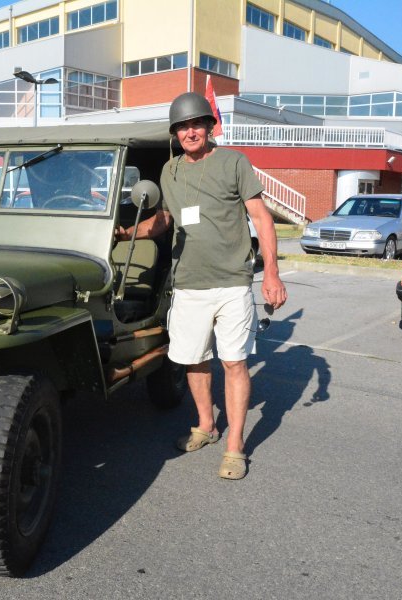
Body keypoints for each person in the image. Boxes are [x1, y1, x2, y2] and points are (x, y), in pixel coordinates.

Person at [116, 92, 287, 480]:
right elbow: (164, 221)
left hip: (231, 283)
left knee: (234, 362)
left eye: (196, 124)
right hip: (188, 284)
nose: (189, 132)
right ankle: (207, 426)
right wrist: (126, 233)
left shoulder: (233, 162)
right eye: (182, 127)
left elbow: (261, 217)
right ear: (175, 133)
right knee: (194, 358)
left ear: (210, 127)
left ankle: (235, 446)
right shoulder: (170, 171)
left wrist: (272, 273)